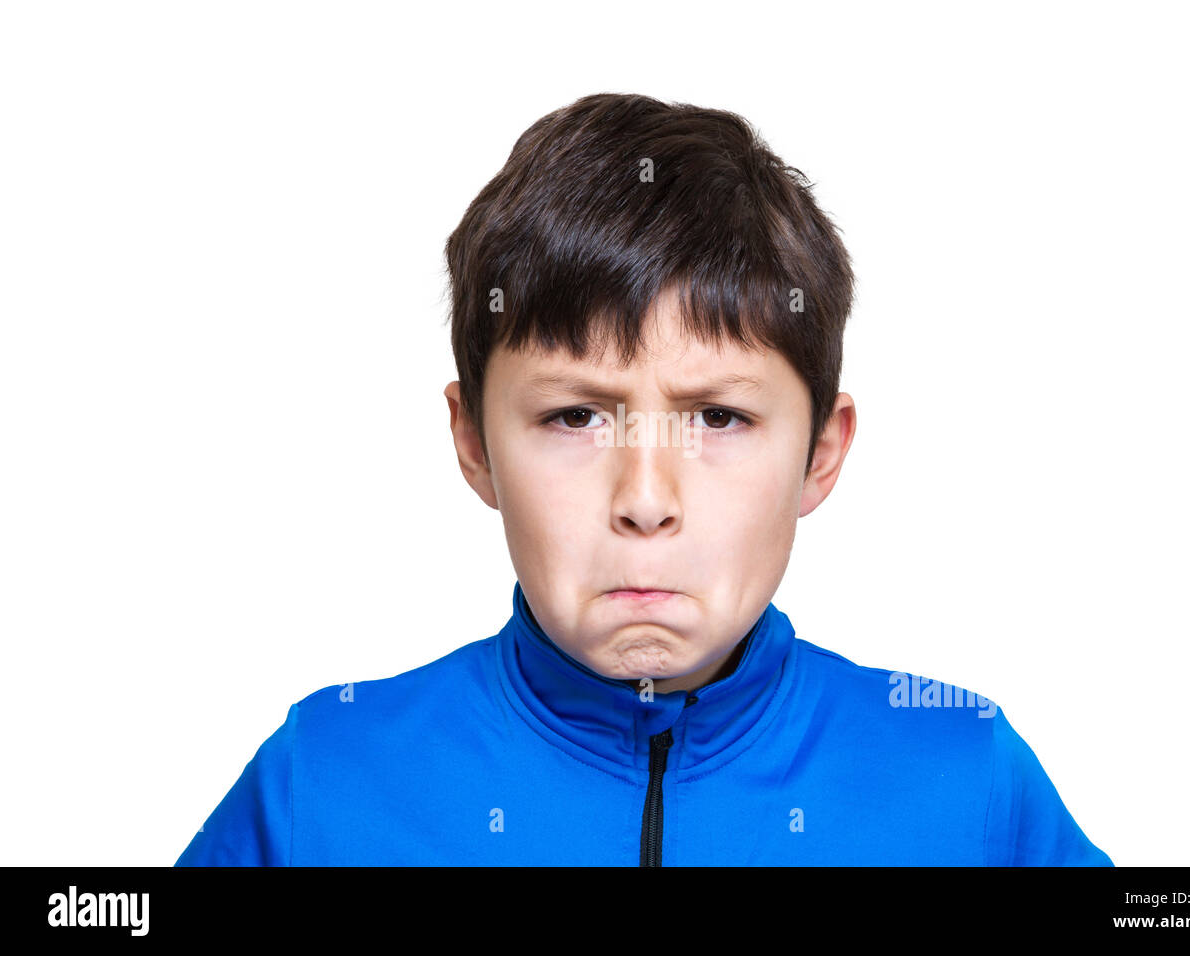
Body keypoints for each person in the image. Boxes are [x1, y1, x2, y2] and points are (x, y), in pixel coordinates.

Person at [175, 92, 1112, 866]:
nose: (647, 500)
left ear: (821, 452)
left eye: (718, 418)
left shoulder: (966, 784)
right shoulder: (324, 784)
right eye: (574, 416)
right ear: (474, 444)